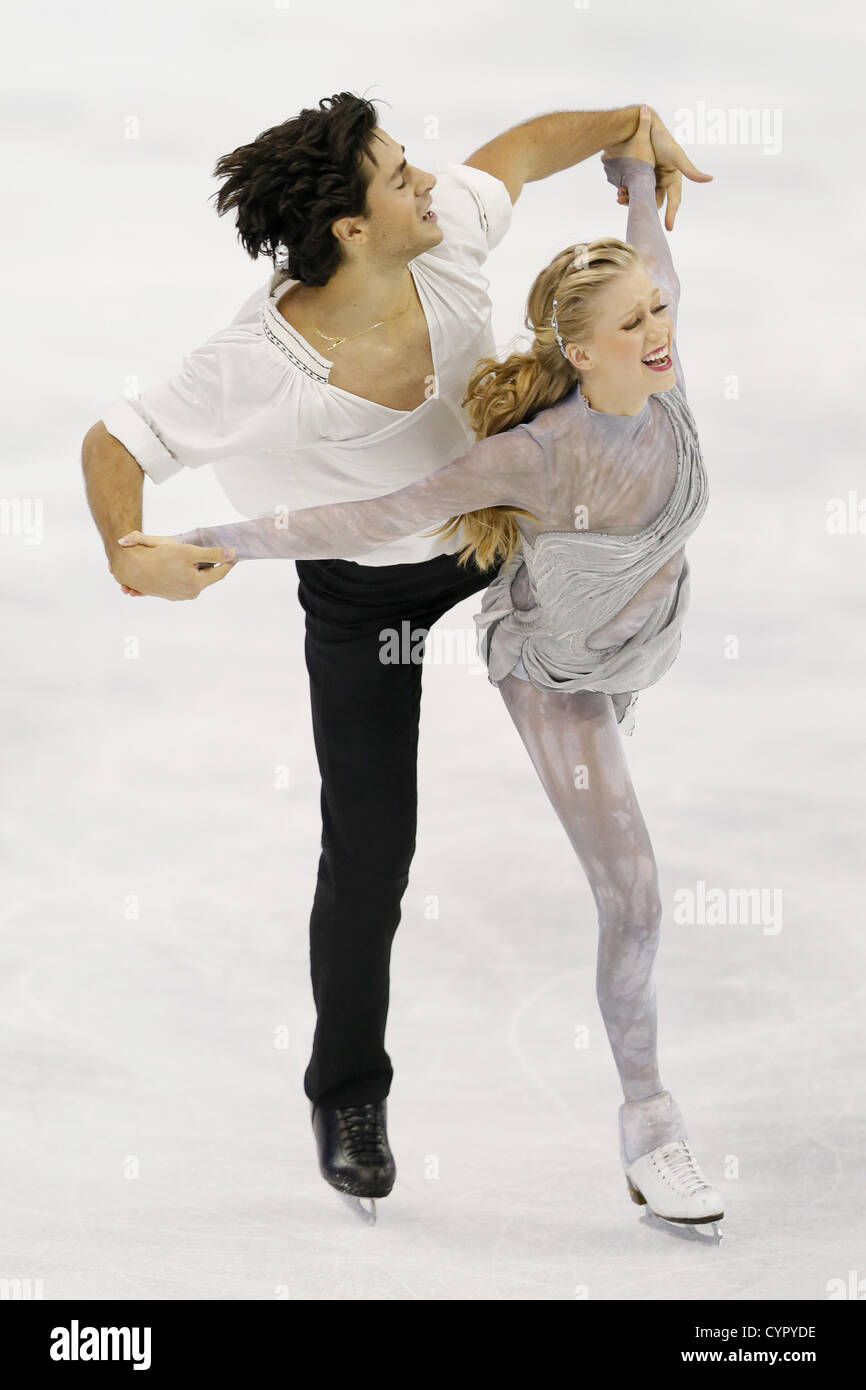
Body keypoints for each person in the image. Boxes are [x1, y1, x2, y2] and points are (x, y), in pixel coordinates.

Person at [84, 91, 713, 1225]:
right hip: (359, 585)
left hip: (498, 543)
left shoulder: (446, 235)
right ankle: (348, 1096)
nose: (426, 181)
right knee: (370, 853)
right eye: (397, 177)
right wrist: (132, 556)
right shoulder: (250, 362)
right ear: (350, 234)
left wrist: (627, 122)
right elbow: (116, 440)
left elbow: (516, 152)